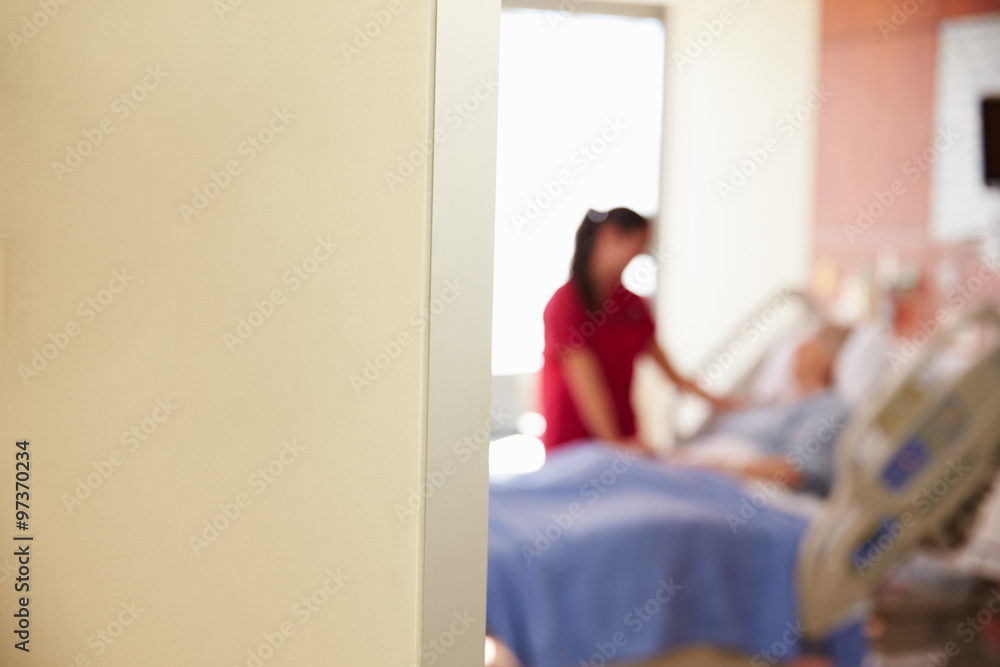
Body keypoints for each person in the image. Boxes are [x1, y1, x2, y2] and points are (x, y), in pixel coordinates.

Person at [540, 208, 732, 455]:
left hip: (624, 438)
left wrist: (732, 405)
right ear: (610, 236)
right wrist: (613, 445)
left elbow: (674, 377)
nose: (639, 254)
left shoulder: (632, 306)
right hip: (573, 443)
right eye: (638, 245)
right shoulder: (565, 304)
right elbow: (587, 382)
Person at [680, 324, 852, 497]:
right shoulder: (781, 403)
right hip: (705, 459)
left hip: (735, 476)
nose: (799, 349)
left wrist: (726, 466)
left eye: (812, 346)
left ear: (831, 362)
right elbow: (738, 406)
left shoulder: (828, 408)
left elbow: (798, 472)